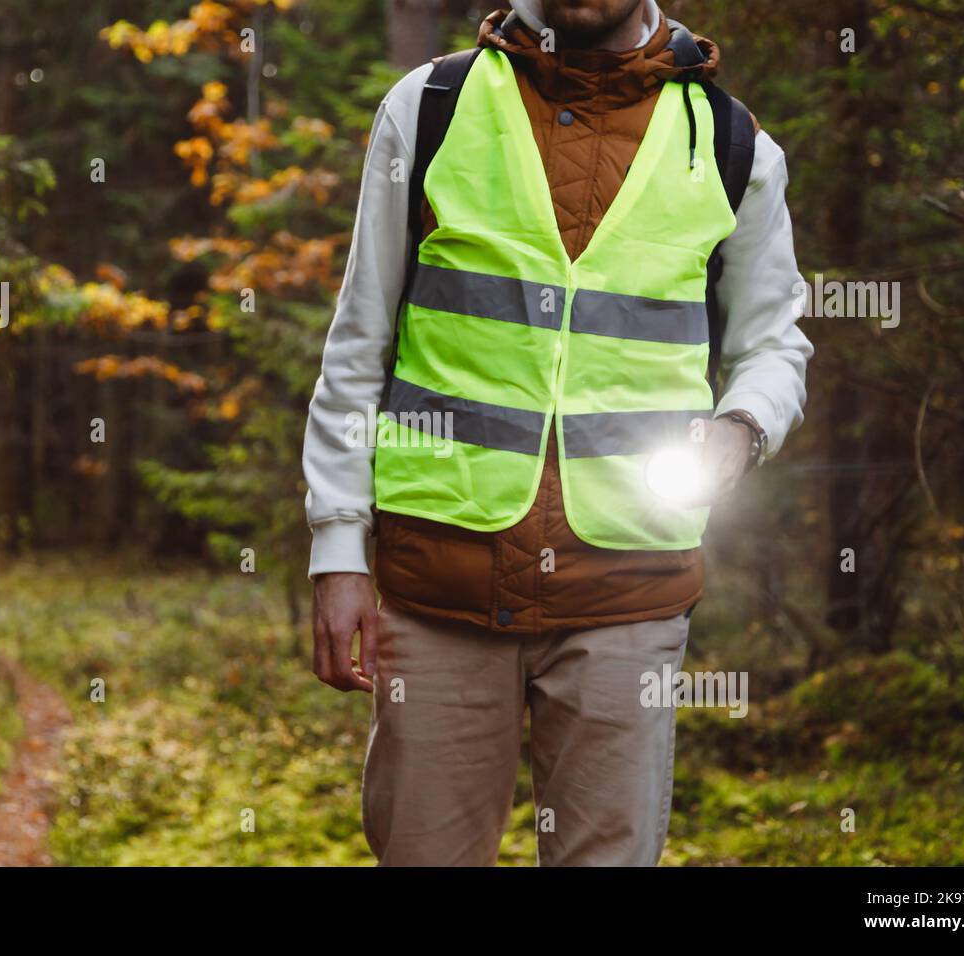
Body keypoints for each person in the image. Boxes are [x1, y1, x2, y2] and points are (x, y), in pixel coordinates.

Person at [302, 0, 813, 866]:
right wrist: (337, 547)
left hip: (629, 592)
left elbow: (774, 344)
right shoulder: (428, 108)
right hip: (438, 587)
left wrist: (740, 428)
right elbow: (360, 345)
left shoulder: (732, 146)